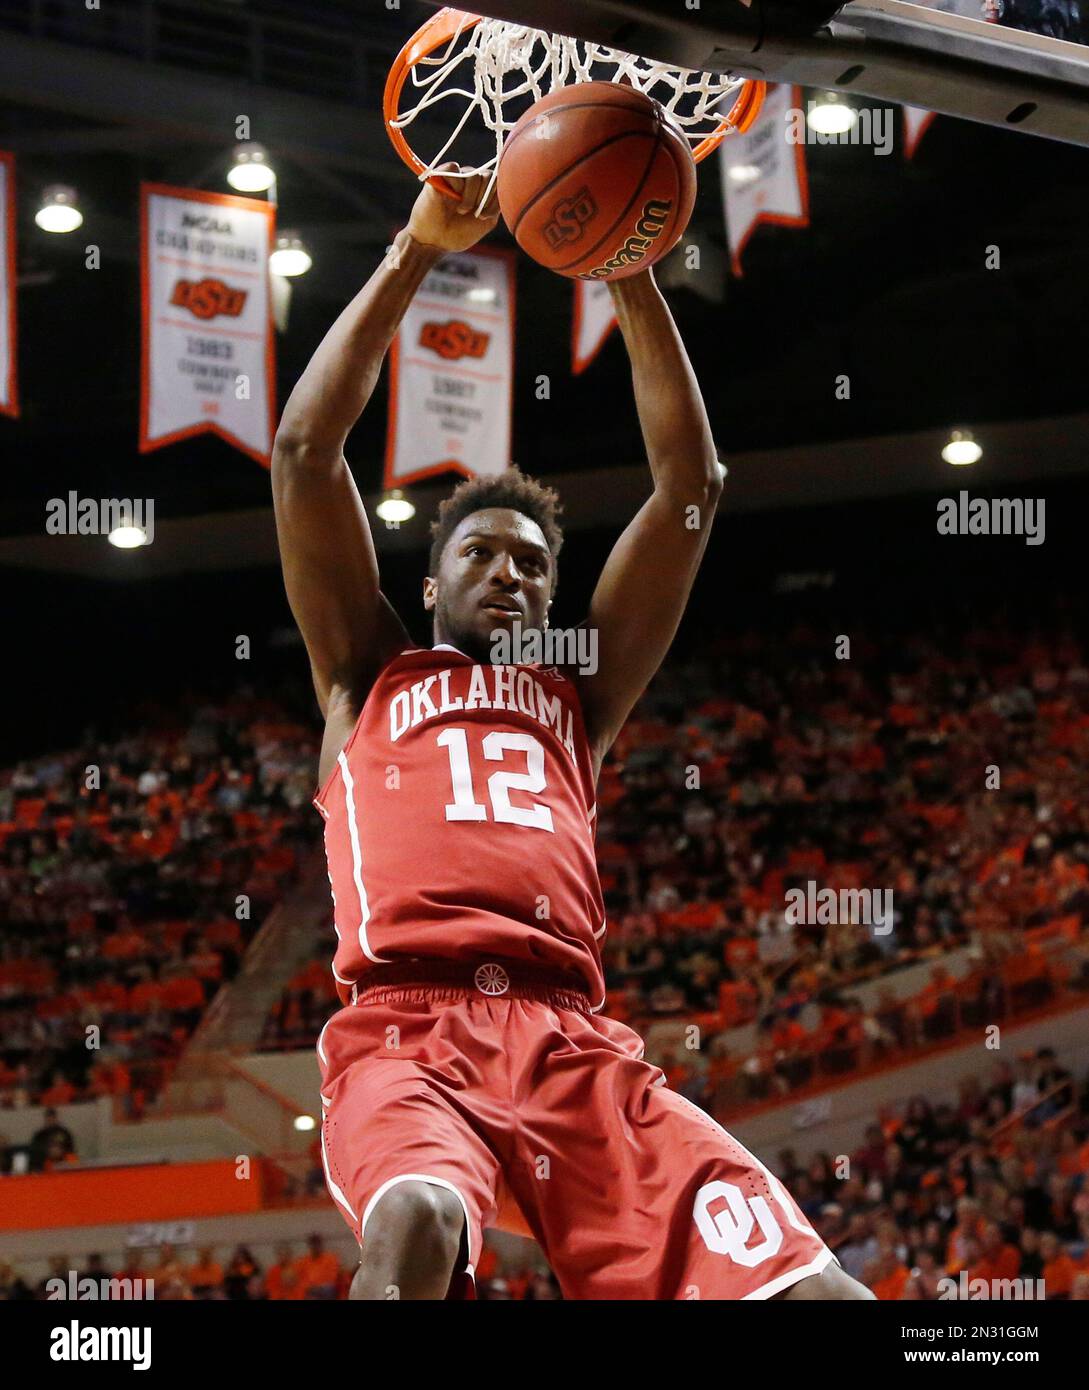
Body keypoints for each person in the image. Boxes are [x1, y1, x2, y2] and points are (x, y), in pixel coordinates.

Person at [272, 165, 872, 1303]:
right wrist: (414, 251)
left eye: (533, 563)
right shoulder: (365, 669)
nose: (508, 573)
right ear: (433, 577)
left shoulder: (577, 698)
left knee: (819, 1292)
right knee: (415, 1227)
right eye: (480, 554)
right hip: (408, 1026)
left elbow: (691, 483)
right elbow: (306, 453)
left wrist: (630, 273)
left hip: (573, 1037)